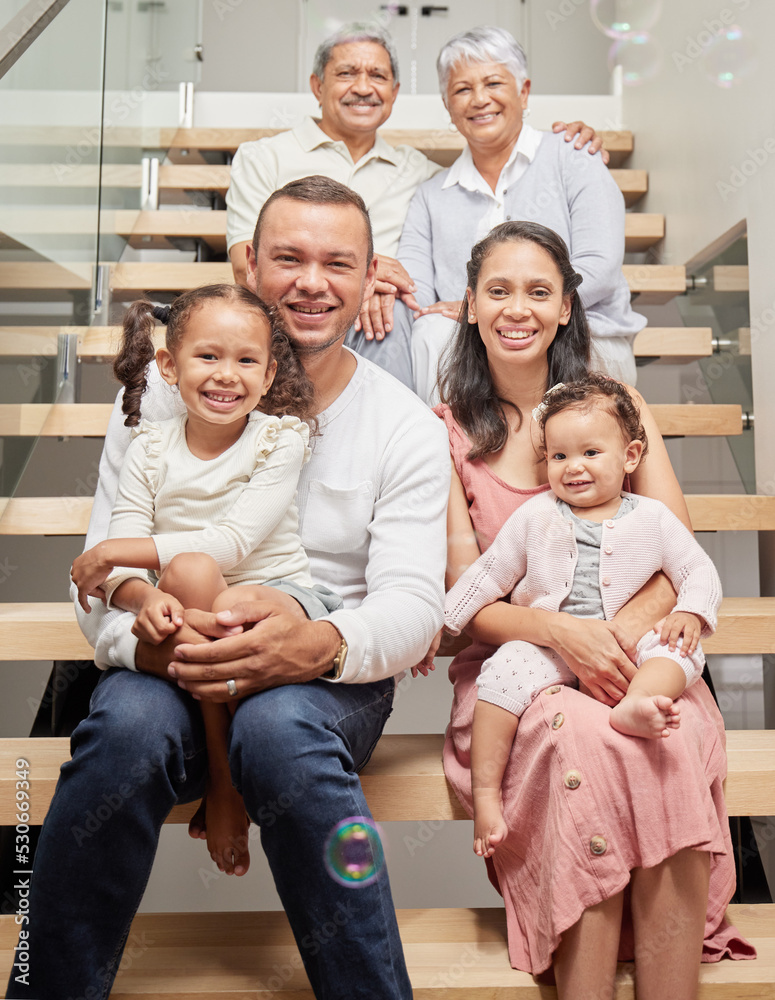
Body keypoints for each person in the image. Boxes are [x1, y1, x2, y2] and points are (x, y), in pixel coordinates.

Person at [8, 176, 450, 1000]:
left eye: (337, 264)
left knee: (279, 732)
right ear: (248, 264)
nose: (311, 282)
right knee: (125, 734)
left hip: (321, 678)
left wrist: (317, 643)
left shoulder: (403, 426)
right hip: (171, 664)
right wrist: (153, 634)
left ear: (366, 280)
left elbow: (414, 606)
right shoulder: (152, 403)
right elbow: (103, 576)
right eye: (287, 258)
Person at [432, 220, 754, 998]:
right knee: (579, 738)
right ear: (469, 305)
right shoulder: (443, 430)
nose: (518, 308)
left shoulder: (618, 406)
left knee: (664, 735)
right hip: (518, 668)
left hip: (637, 655)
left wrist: (608, 642)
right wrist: (558, 633)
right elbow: (468, 600)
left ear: (567, 306)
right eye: (498, 291)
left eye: (539, 291)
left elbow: (675, 559)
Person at [69, 284, 338, 877]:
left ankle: (221, 777)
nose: (227, 375)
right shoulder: (148, 448)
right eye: (208, 356)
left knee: (195, 568)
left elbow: (231, 544)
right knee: (184, 577)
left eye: (246, 361)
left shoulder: (281, 438)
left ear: (269, 376)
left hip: (271, 598)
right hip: (184, 603)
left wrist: (118, 557)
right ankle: (223, 776)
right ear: (168, 366)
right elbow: (126, 576)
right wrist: (144, 596)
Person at [226, 23, 607, 388]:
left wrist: (372, 285)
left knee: (390, 318)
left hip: (378, 318)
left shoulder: (422, 173)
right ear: (317, 85)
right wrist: (361, 278)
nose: (363, 87)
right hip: (296, 310)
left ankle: (402, 447)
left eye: (377, 76)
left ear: (394, 91)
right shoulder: (264, 157)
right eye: (346, 73)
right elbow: (250, 269)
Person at [443, 373, 723, 858]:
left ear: (630, 457)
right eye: (559, 456)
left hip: (632, 646)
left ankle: (639, 702)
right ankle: (487, 795)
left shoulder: (653, 520)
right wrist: (441, 625)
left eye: (591, 453)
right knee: (501, 674)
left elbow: (697, 567)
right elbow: (488, 576)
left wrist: (693, 613)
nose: (574, 468)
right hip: (550, 647)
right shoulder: (534, 517)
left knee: (676, 655)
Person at [384, 25, 645, 403]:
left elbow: (600, 267)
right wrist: (480, 317)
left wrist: (496, 308)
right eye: (461, 89)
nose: (478, 100)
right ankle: (447, 458)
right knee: (430, 332)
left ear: (523, 92)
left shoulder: (573, 156)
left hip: (584, 339)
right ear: (447, 106)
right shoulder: (430, 196)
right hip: (477, 350)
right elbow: (416, 293)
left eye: (493, 83)